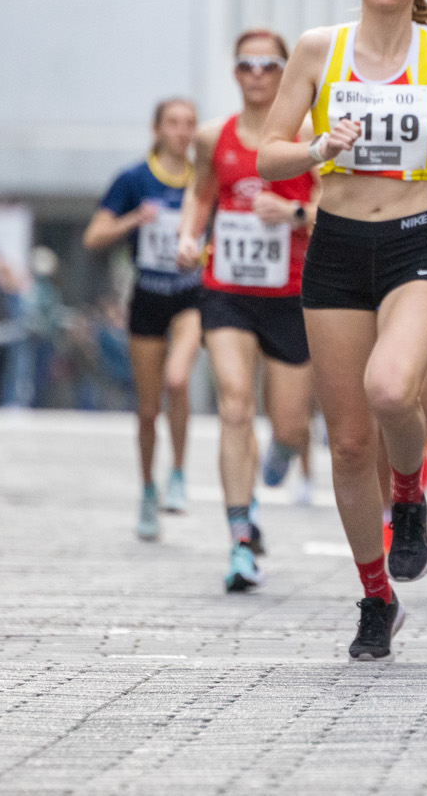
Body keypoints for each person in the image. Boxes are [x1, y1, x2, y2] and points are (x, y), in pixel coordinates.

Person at [255, 0, 427, 661]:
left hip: (416, 242)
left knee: (392, 390)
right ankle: (376, 597)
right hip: (337, 247)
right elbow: (268, 155)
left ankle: (411, 495)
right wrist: (317, 149)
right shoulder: (322, 49)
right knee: (350, 444)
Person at [176, 34, 315, 594]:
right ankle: (239, 535)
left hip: (294, 293)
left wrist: (294, 211)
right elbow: (201, 194)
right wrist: (190, 235)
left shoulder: (307, 137)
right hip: (227, 288)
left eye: (268, 65)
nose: (256, 74)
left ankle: (281, 452)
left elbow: (337, 204)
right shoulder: (214, 137)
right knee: (234, 405)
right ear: (234, 73)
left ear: (285, 72)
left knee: (290, 425)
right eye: (245, 64)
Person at [85, 97, 203, 541]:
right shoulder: (134, 179)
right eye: (173, 123)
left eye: (189, 123)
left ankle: (178, 472)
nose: (182, 132)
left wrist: (201, 251)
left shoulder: (201, 178)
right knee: (148, 408)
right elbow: (93, 236)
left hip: (191, 294)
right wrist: (135, 219)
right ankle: (148, 490)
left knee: (178, 380)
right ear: (156, 129)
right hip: (148, 296)